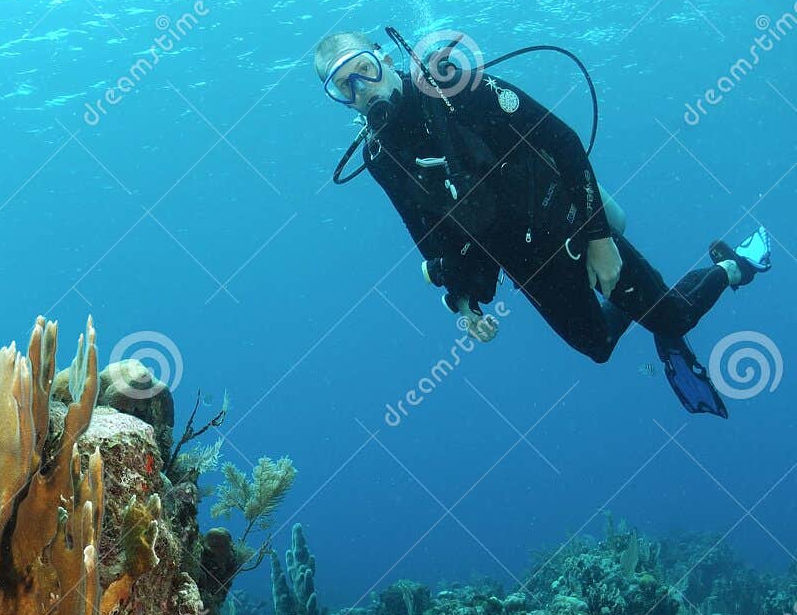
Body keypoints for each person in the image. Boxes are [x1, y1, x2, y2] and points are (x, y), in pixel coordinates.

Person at [316, 30, 771, 416]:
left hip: (573, 224)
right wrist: (462, 299)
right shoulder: (379, 157)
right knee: (597, 347)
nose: (362, 89)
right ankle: (651, 311)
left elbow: (563, 140)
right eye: (343, 87)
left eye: (364, 70)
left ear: (385, 58)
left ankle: (735, 265)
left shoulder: (455, 90)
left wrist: (598, 239)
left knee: (677, 318)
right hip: (525, 262)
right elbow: (428, 233)